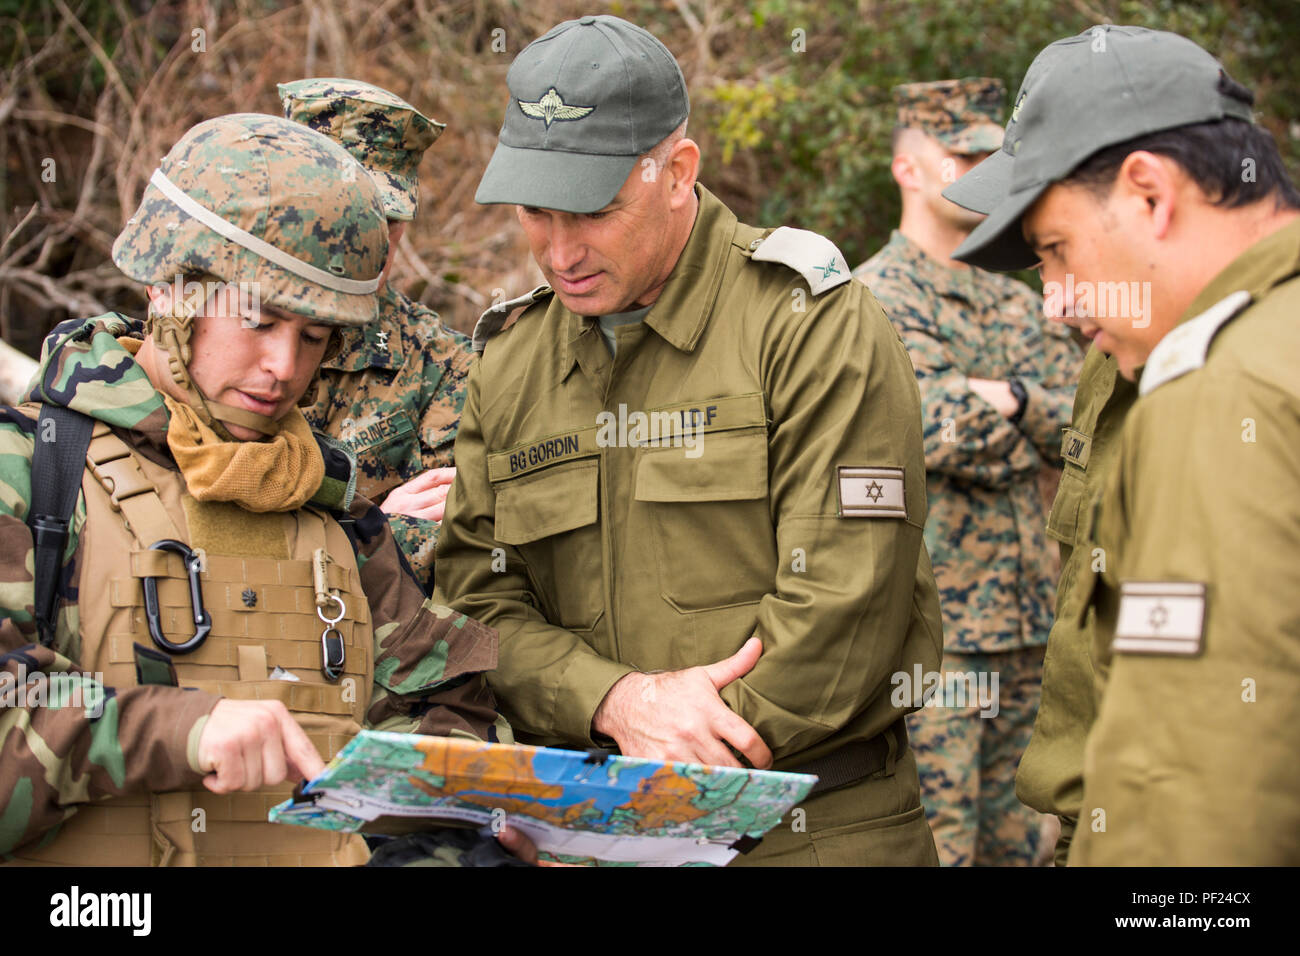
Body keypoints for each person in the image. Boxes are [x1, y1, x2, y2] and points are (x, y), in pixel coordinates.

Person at [433, 14, 943, 867]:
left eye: (594, 210)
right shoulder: (510, 363)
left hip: (811, 831)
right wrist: (614, 701)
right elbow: (478, 604)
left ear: (678, 172)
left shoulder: (807, 323)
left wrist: (671, 775)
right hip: (589, 836)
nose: (560, 252)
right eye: (534, 211)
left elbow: (850, 602)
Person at [0, 113, 530, 866]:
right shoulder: (32, 469)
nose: (285, 366)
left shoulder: (334, 513)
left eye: (314, 338)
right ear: (170, 293)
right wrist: (183, 732)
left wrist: (442, 839)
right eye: (258, 319)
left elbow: (447, 723)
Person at [950, 24, 1300, 864]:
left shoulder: (1224, 392)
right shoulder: (1171, 359)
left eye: (1057, 252)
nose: (1056, 304)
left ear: (1149, 193)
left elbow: (1196, 793)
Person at [855, 77, 1080, 866]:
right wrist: (1029, 413)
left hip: (1033, 627)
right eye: (963, 153)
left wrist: (1013, 399)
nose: (983, 167)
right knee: (939, 847)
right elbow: (930, 429)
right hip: (937, 639)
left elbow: (1082, 424)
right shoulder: (873, 298)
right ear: (908, 169)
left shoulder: (1019, 298)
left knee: (1030, 842)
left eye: (992, 152)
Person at [281, 78, 474, 594]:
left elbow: (433, 555)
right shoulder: (222, 322)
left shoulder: (444, 364)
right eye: (343, 217)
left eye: (385, 220)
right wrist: (367, 527)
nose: (367, 242)